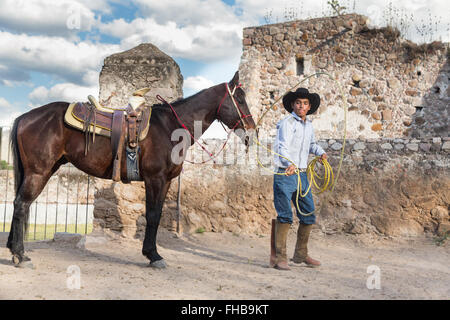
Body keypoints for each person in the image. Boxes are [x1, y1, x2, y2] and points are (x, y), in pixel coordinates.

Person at [270, 88, 327, 270]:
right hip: (285, 173)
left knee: (308, 213)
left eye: (305, 103)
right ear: (293, 105)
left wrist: (320, 152)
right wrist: (288, 164)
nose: (301, 106)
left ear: (309, 107)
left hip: (302, 174)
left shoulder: (308, 126)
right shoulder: (286, 123)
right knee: (285, 215)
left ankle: (301, 254)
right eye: (298, 103)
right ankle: (279, 258)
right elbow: (282, 146)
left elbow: (311, 145)